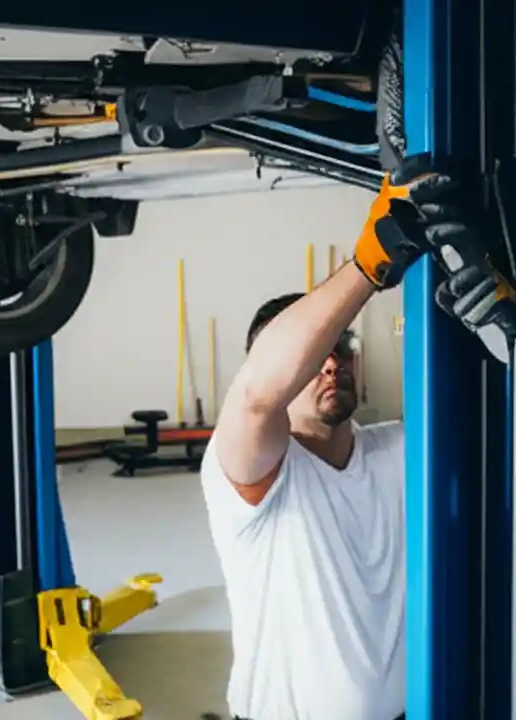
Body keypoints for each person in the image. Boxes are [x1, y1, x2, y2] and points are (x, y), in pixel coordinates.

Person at [199, 158, 465, 720]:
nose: (332, 364)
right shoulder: (254, 476)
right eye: (313, 358)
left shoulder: (399, 452)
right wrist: (368, 265)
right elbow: (255, 398)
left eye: (340, 350)